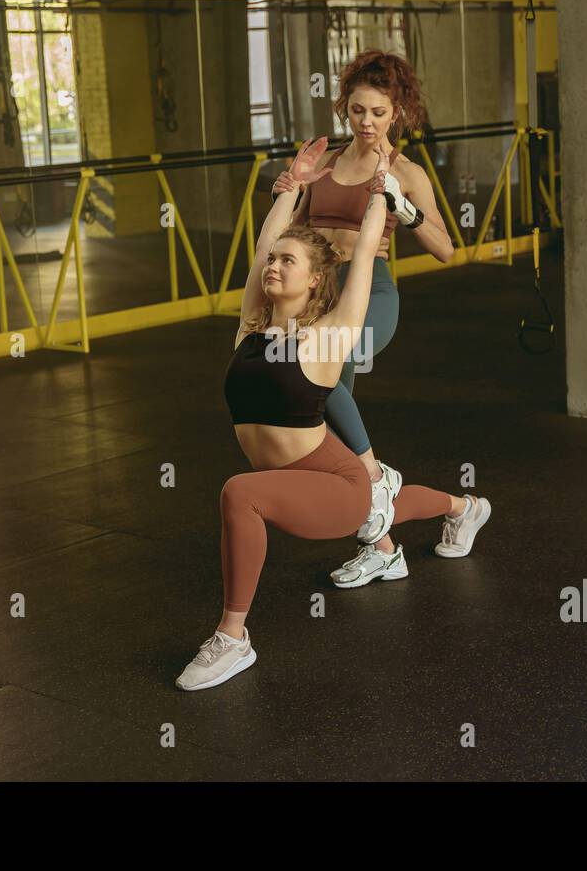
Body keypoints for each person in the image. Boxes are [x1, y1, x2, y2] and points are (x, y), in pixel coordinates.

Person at [176, 138, 492, 691]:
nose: (274, 265)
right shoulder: (252, 328)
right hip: (307, 473)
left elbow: (367, 251)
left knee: (240, 492)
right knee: (384, 512)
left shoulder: (327, 339)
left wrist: (380, 194)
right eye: (274, 260)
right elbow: (262, 246)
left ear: (314, 280)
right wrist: (292, 188)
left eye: (287, 262)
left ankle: (233, 639)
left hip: (332, 482)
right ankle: (463, 506)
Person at [271, 49, 457, 590]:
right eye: (357, 111)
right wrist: (286, 194)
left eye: (378, 112)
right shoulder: (324, 164)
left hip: (369, 293)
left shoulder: (405, 172)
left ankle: (376, 478)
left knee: (321, 383)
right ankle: (433, 519)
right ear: (345, 110)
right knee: (321, 414)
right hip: (318, 295)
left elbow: (445, 248)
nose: (367, 122)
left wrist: (406, 209)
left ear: (396, 111)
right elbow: (296, 233)